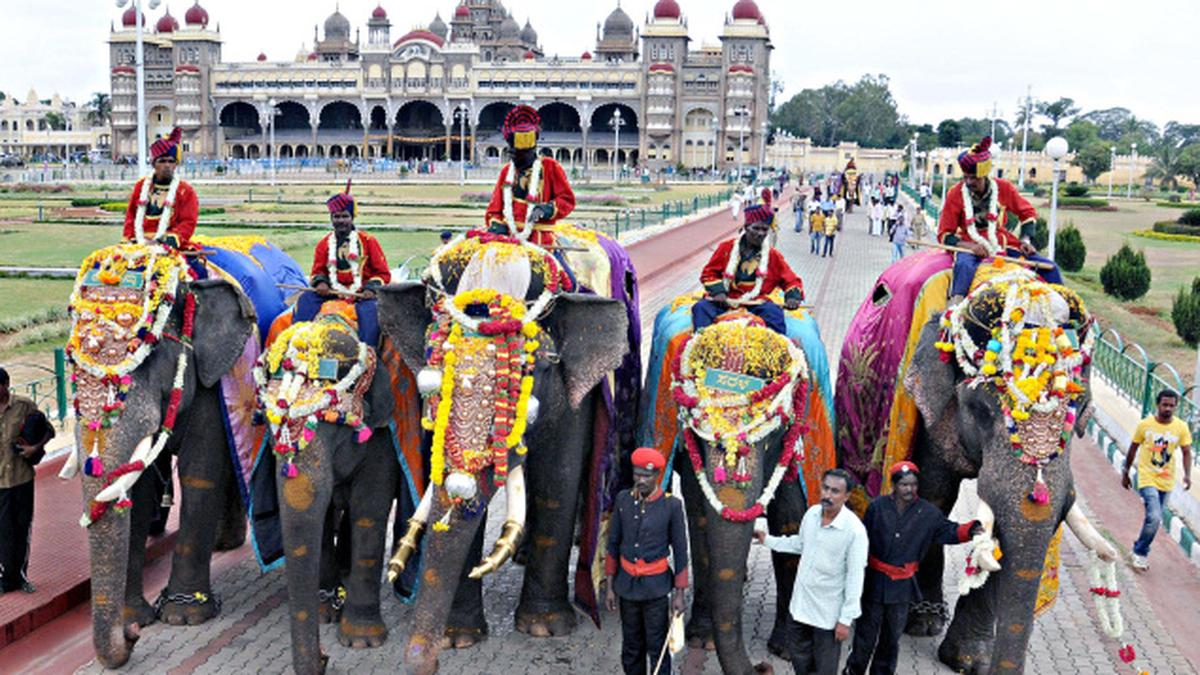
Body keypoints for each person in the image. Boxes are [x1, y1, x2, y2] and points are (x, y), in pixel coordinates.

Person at [843, 462, 981, 675]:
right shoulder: (877, 507)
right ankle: (854, 670)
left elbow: (949, 531)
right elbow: (863, 540)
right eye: (904, 485)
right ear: (894, 485)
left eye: (914, 485)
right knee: (865, 635)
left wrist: (971, 529)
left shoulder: (928, 513)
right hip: (874, 584)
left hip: (902, 589)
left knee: (891, 639)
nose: (909, 489)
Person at [754, 469, 868, 675]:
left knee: (824, 670)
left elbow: (855, 577)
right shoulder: (812, 514)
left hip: (828, 617)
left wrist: (846, 619)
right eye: (825, 488)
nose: (828, 495)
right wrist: (768, 540)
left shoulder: (855, 531)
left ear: (847, 496)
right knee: (801, 663)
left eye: (835, 491)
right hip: (800, 609)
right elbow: (799, 544)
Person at [938, 136, 1063, 302]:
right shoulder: (955, 193)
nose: (968, 182)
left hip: (1003, 243)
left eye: (973, 178)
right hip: (969, 245)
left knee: (1050, 268)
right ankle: (954, 308)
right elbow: (944, 234)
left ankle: (1067, 311)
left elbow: (1027, 214)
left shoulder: (1004, 188)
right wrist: (969, 246)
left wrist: (1025, 240)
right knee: (964, 266)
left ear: (984, 174)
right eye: (965, 177)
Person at [605, 448, 688, 675]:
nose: (641, 480)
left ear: (657, 476)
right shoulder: (622, 500)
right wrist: (610, 586)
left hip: (656, 589)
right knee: (631, 647)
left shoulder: (672, 506)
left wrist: (679, 594)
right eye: (637, 474)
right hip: (627, 586)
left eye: (646, 476)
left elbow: (681, 552)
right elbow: (613, 544)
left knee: (657, 647)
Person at [294, 183, 390, 345]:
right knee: (306, 300)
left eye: (345, 216)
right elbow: (317, 271)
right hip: (332, 292)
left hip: (362, 295)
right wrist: (321, 283)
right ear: (331, 219)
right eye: (336, 217)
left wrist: (370, 289)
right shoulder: (324, 244)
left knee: (371, 313)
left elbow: (383, 273)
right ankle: (298, 345)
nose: (341, 221)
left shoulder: (368, 241)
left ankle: (370, 353)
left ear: (352, 217)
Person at [694, 204, 804, 335]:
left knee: (775, 314)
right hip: (725, 299)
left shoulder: (773, 255)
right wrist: (718, 292)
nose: (760, 234)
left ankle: (776, 352)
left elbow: (791, 280)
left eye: (764, 229)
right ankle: (702, 348)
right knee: (700, 308)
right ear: (746, 228)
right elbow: (709, 273)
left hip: (757, 302)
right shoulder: (726, 248)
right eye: (756, 228)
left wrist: (792, 297)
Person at [484, 105, 576, 247]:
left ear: (530, 152)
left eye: (516, 154)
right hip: (508, 239)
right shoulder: (507, 171)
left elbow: (567, 200)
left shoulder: (550, 167)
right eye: (510, 153)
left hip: (543, 241)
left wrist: (544, 209)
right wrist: (498, 229)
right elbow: (494, 210)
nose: (512, 157)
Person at [1122, 389, 1193, 571]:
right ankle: (1140, 553)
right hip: (1147, 478)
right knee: (1154, 517)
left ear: (1175, 407)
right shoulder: (1145, 425)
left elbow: (1186, 452)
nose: (1168, 408)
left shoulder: (1181, 427)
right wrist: (1126, 472)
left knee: (1154, 520)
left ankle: (1139, 546)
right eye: (1165, 405)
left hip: (1167, 481)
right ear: (1158, 405)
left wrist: (1187, 474)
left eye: (1171, 405)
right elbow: (1133, 448)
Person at [0, 366, 54, 595]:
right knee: (3, 531)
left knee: (22, 528)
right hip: (0, 482)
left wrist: (34, 448)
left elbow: (49, 431)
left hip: (22, 479)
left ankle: (20, 576)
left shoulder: (24, 406)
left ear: (5, 385)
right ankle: (6, 577)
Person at [122, 127, 199, 249]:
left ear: (175, 164)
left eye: (171, 161)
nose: (167, 166)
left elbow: (188, 223)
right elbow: (131, 216)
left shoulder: (185, 191)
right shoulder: (141, 186)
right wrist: (132, 239)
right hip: (139, 242)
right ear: (153, 164)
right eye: (162, 161)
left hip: (169, 245)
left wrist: (163, 242)